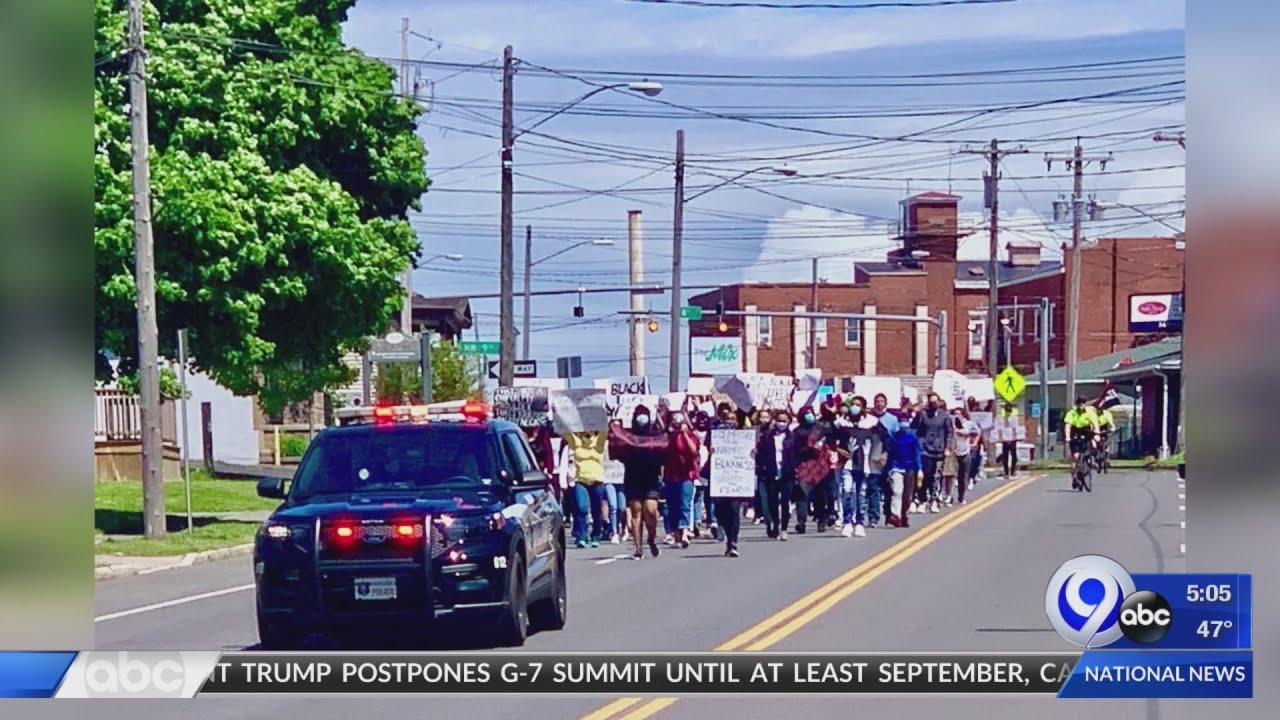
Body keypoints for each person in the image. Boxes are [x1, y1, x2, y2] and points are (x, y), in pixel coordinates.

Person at [608, 404, 666, 559]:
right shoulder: (628, 436)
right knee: (636, 511)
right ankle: (638, 547)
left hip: (651, 478)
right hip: (633, 478)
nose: (642, 419)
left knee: (651, 510)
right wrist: (613, 429)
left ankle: (651, 538)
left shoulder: (655, 435)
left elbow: (665, 447)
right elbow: (616, 453)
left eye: (644, 415)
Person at [707, 407, 744, 557]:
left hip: (736, 480)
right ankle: (724, 529)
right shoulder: (714, 435)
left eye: (732, 419)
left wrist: (752, 453)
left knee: (734, 510)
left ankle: (732, 542)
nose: (730, 422)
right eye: (727, 419)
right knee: (720, 511)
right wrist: (712, 453)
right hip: (719, 479)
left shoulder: (744, 437)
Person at [662, 409, 702, 548]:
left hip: (687, 475)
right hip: (670, 475)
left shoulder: (691, 436)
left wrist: (684, 433)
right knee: (672, 506)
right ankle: (676, 534)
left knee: (684, 503)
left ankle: (684, 531)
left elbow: (693, 450)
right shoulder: (668, 437)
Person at [789, 405, 831, 534]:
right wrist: (809, 449)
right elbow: (794, 450)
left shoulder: (821, 429)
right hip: (804, 464)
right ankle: (801, 521)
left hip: (820, 465)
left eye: (811, 412)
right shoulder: (797, 432)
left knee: (820, 494)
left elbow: (832, 437)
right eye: (806, 413)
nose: (809, 415)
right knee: (802, 494)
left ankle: (822, 519)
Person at [562, 429, 608, 548]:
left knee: (596, 509)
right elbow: (565, 431)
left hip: (597, 481)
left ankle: (596, 534)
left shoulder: (599, 441)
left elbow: (606, 429)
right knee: (581, 507)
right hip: (581, 481)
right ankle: (582, 536)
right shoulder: (576, 442)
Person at [911, 393, 953, 514]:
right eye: (931, 403)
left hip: (939, 449)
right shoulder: (923, 414)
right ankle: (922, 499)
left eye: (935, 402)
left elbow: (949, 432)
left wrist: (948, 447)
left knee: (936, 476)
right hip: (925, 449)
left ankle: (934, 500)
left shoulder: (944, 416)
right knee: (925, 475)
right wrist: (917, 414)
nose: (933, 405)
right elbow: (914, 428)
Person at [755, 409, 792, 540]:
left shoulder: (792, 437)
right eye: (779, 420)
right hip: (771, 471)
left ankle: (784, 528)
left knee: (785, 501)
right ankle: (775, 524)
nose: (781, 423)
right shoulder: (767, 436)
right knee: (772, 500)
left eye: (784, 421)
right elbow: (760, 453)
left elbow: (797, 455)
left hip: (787, 472)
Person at [887, 421, 923, 529]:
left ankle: (903, 515)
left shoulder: (912, 437)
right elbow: (889, 453)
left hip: (910, 468)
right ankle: (895, 516)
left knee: (908, 495)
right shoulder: (893, 438)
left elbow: (917, 453)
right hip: (896, 467)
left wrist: (919, 468)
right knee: (897, 491)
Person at [869, 393, 898, 525]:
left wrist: (887, 454)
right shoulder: (869, 418)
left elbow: (895, 438)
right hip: (872, 456)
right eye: (877, 401)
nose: (879, 403)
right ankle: (873, 516)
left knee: (888, 487)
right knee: (873, 487)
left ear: (885, 403)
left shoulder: (892, 419)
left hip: (888, 455)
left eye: (881, 401)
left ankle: (888, 514)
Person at [1064, 397, 1100, 487]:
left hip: (1086, 431)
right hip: (1075, 432)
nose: (1081, 405)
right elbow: (1068, 425)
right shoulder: (1071, 413)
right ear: (1077, 404)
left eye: (1083, 403)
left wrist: (1097, 433)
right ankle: (1074, 478)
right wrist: (1068, 437)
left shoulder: (1090, 412)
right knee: (1075, 457)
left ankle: (1091, 460)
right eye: (1079, 403)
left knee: (1094, 443)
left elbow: (1095, 423)